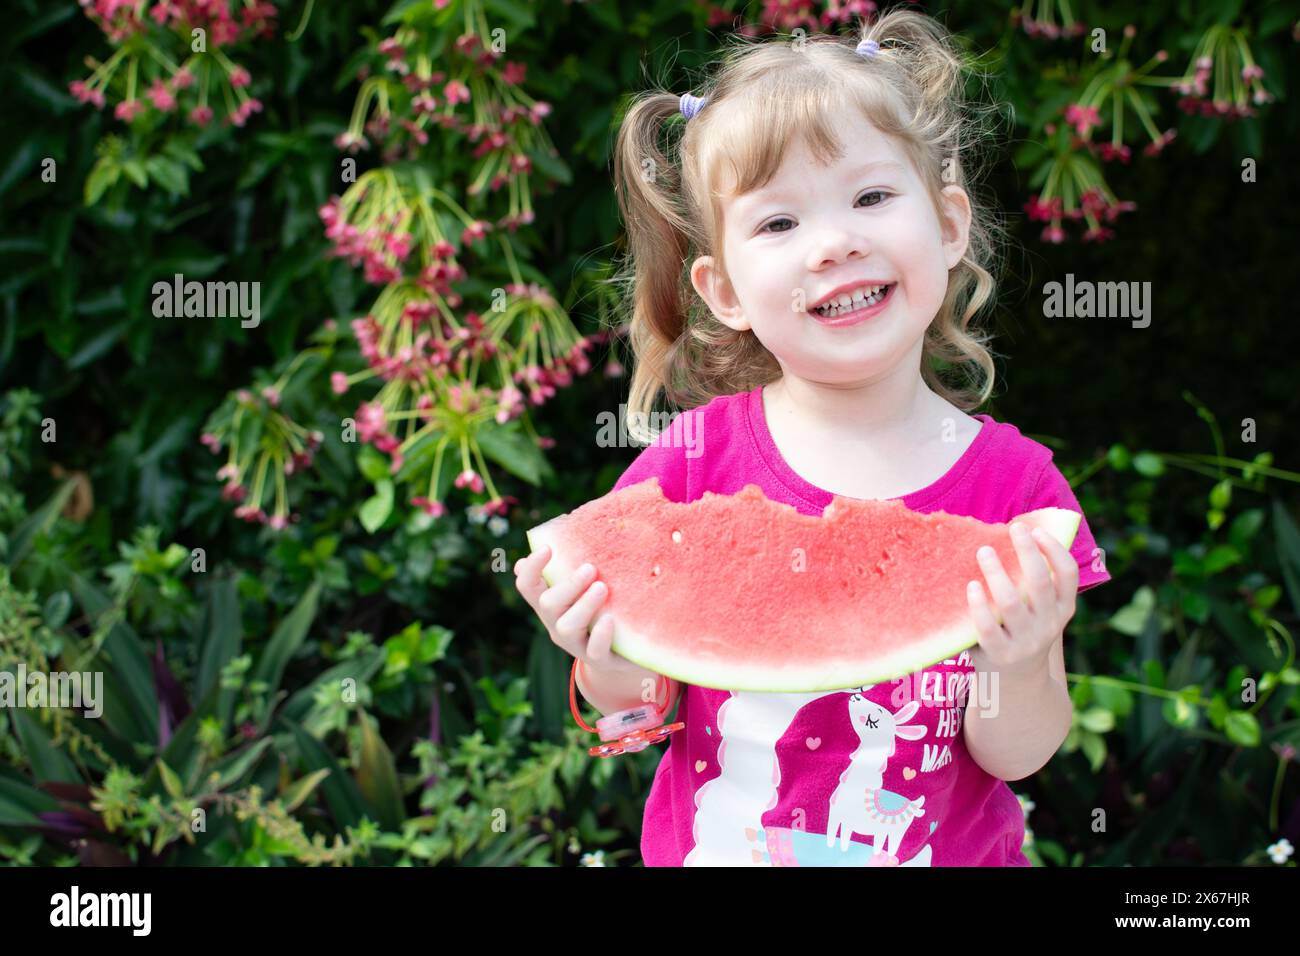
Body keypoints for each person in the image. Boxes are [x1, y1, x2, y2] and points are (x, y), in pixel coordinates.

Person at [514, 7, 1111, 867]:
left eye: (871, 197)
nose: (833, 244)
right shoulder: (689, 466)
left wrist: (1018, 665)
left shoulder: (1015, 489)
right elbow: (633, 723)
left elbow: (1020, 754)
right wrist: (599, 652)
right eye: (778, 224)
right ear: (723, 291)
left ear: (948, 225)